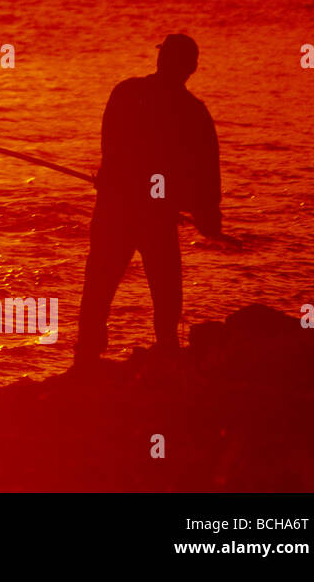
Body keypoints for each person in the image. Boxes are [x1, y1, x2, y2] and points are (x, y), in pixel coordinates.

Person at [74, 34, 238, 365]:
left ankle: (86, 358)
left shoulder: (126, 93)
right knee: (165, 290)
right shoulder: (194, 113)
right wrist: (207, 220)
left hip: (116, 209)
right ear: (191, 68)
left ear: (163, 60)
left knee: (99, 286)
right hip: (155, 215)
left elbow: (111, 150)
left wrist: (108, 182)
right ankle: (165, 353)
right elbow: (206, 175)